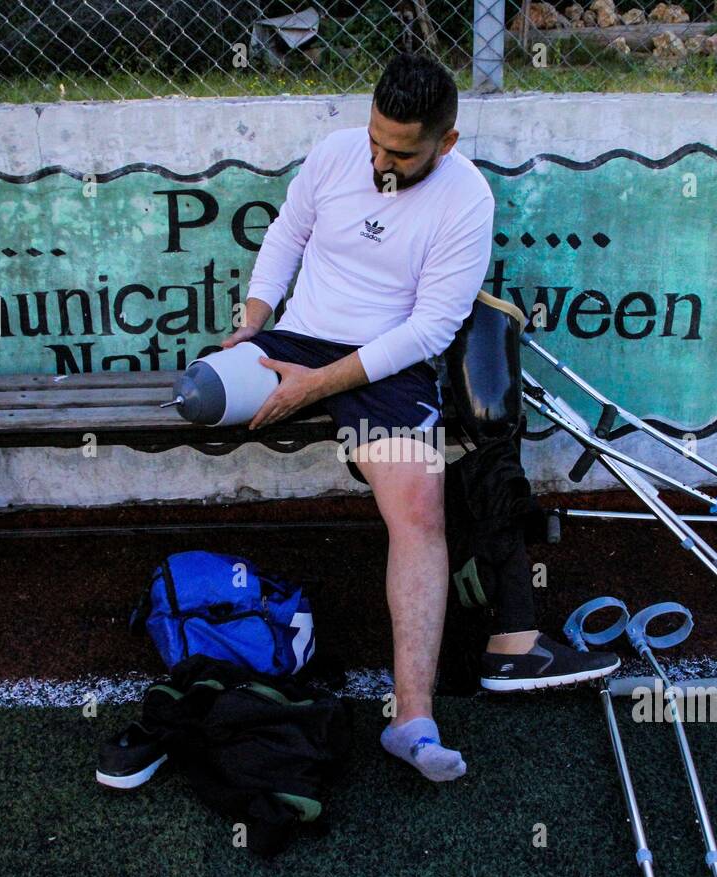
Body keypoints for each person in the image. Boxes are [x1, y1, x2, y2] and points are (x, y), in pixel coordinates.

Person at [228, 53, 613, 784]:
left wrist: (317, 387)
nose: (379, 159)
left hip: (385, 359)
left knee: (420, 506)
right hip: (295, 340)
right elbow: (285, 237)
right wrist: (252, 323)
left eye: (399, 152)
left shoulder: (467, 200)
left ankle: (411, 718)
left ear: (448, 141)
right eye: (374, 140)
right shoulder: (336, 155)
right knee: (195, 395)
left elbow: (431, 331)